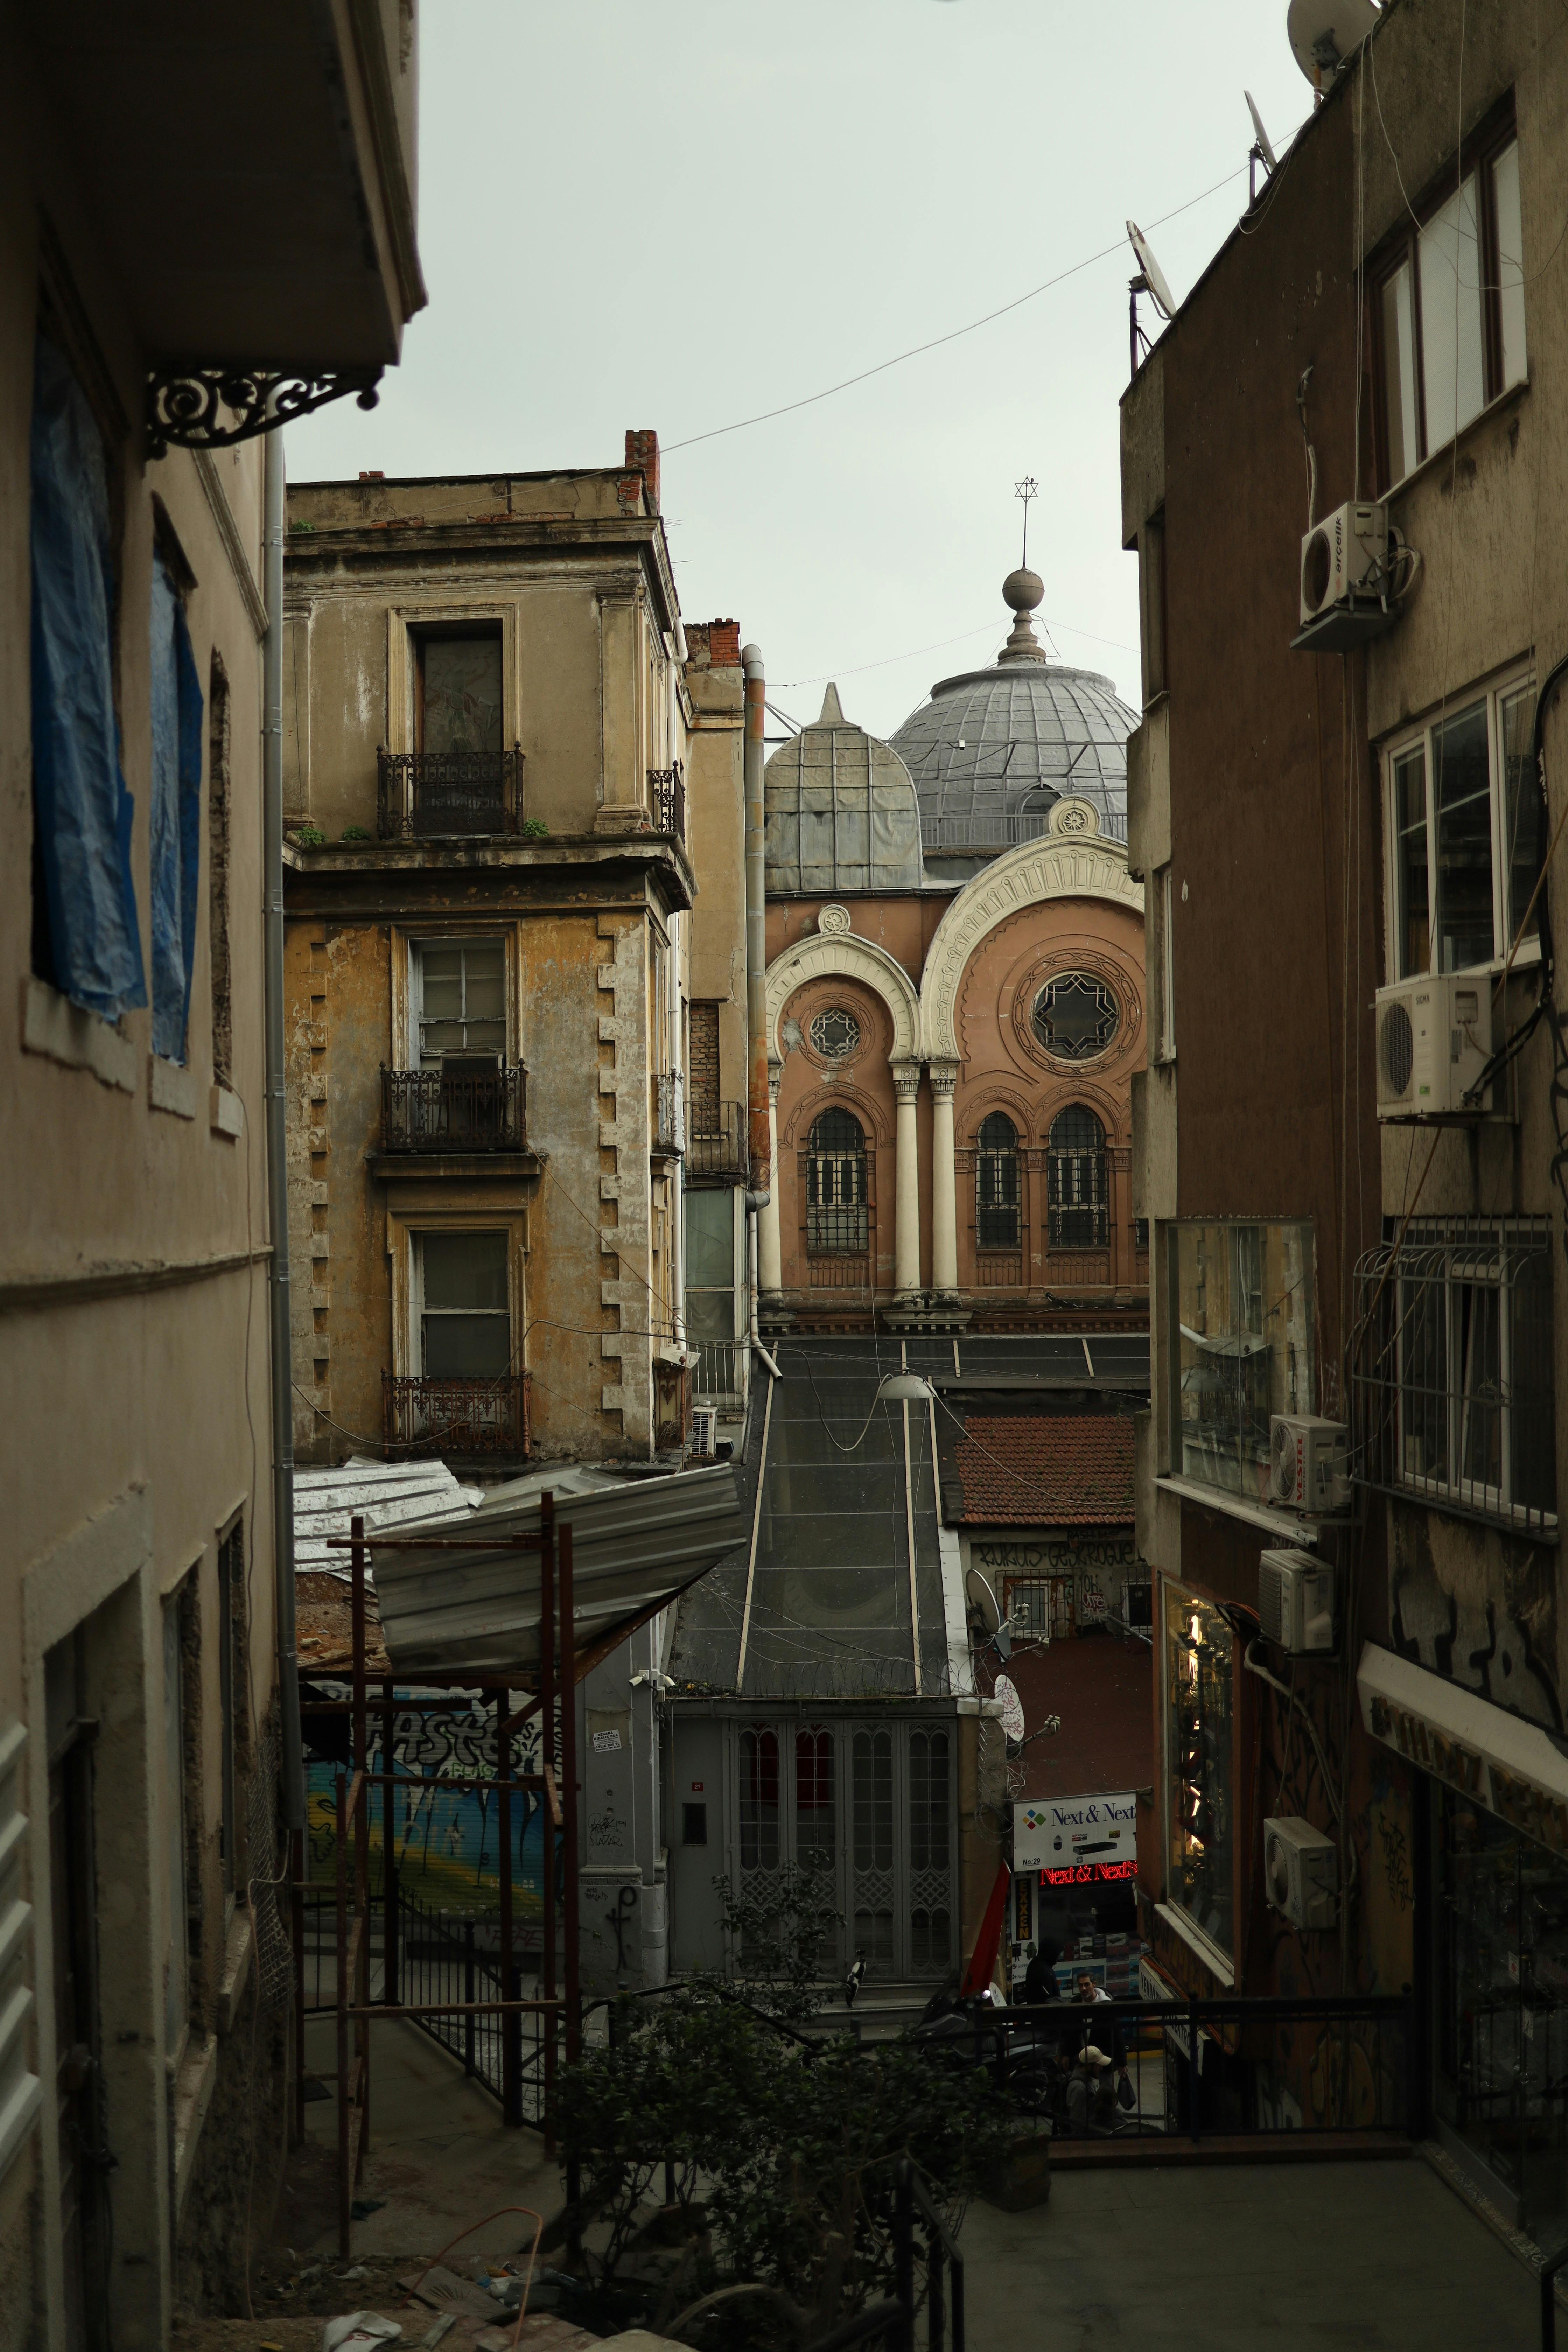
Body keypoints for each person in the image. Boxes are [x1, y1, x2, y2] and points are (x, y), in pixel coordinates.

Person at [1057, 1969, 1130, 2134]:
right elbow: (1069, 2031)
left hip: (1102, 2059)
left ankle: (1105, 2125)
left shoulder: (1106, 2005)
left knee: (1106, 2093)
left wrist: (1121, 2062)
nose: (1084, 1989)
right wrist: (1066, 2054)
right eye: (1081, 1985)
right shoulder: (1076, 2003)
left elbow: (1117, 2033)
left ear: (1094, 1985)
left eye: (1087, 1985)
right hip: (1083, 2058)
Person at [1021, 1938, 1062, 2006]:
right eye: (1057, 1954)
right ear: (1051, 1953)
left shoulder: (1037, 1963)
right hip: (1043, 2013)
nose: (1058, 1958)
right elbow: (1048, 2000)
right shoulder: (1042, 1970)